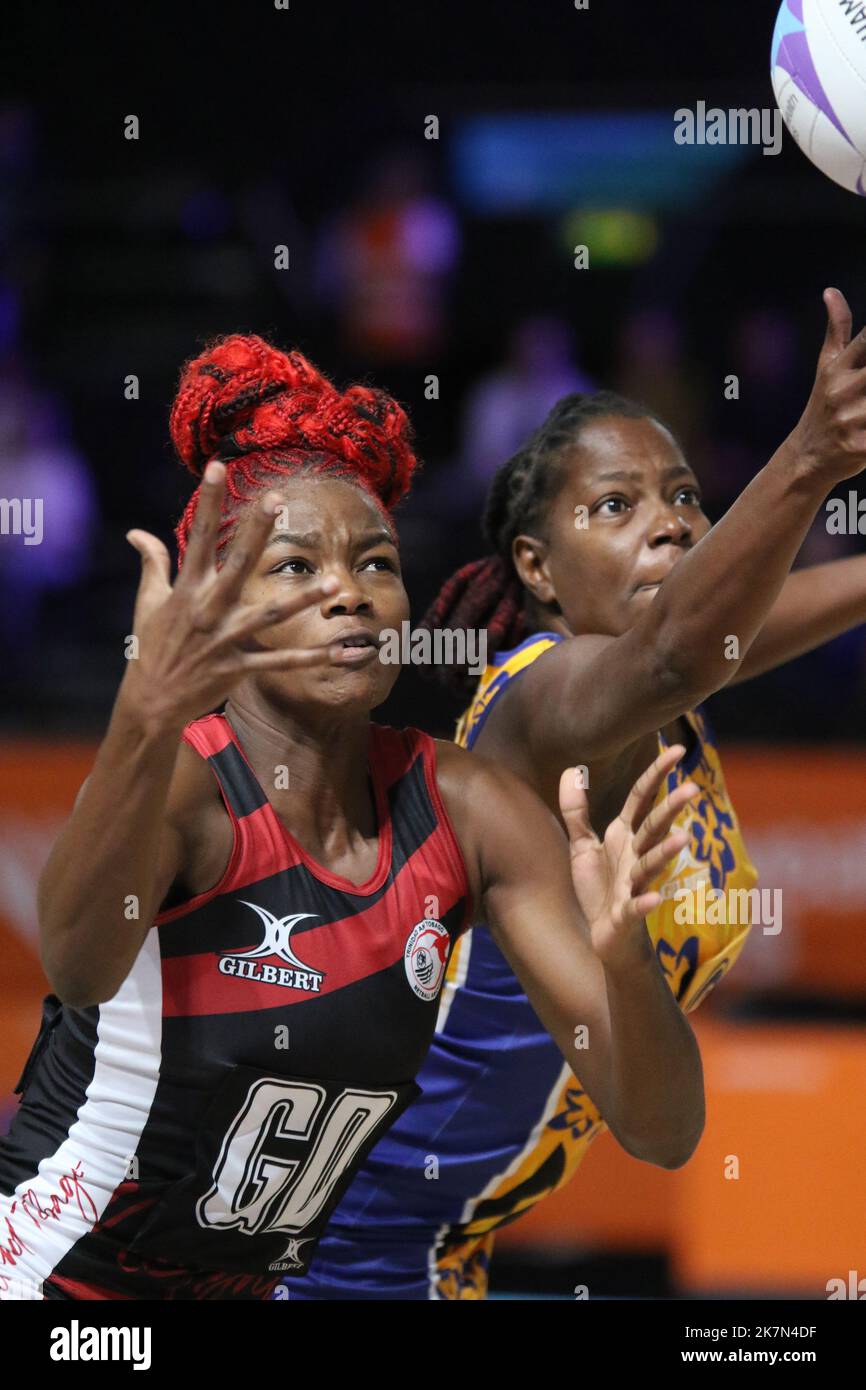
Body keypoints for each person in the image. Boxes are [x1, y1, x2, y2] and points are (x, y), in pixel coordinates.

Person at [0, 333, 702, 1301]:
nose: (348, 591)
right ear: (218, 603)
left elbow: (658, 1128)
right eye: (295, 567)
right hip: (50, 1284)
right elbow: (75, 964)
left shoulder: (467, 808)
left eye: (375, 562)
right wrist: (139, 714)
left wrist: (630, 969)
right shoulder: (181, 781)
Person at [280, 287, 866, 1300]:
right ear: (536, 567)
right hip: (340, 1246)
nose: (669, 526)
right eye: (616, 506)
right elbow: (676, 650)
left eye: (684, 498)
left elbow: (727, 628)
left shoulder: (683, 673)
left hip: (444, 1247)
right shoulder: (534, 703)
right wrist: (809, 454)